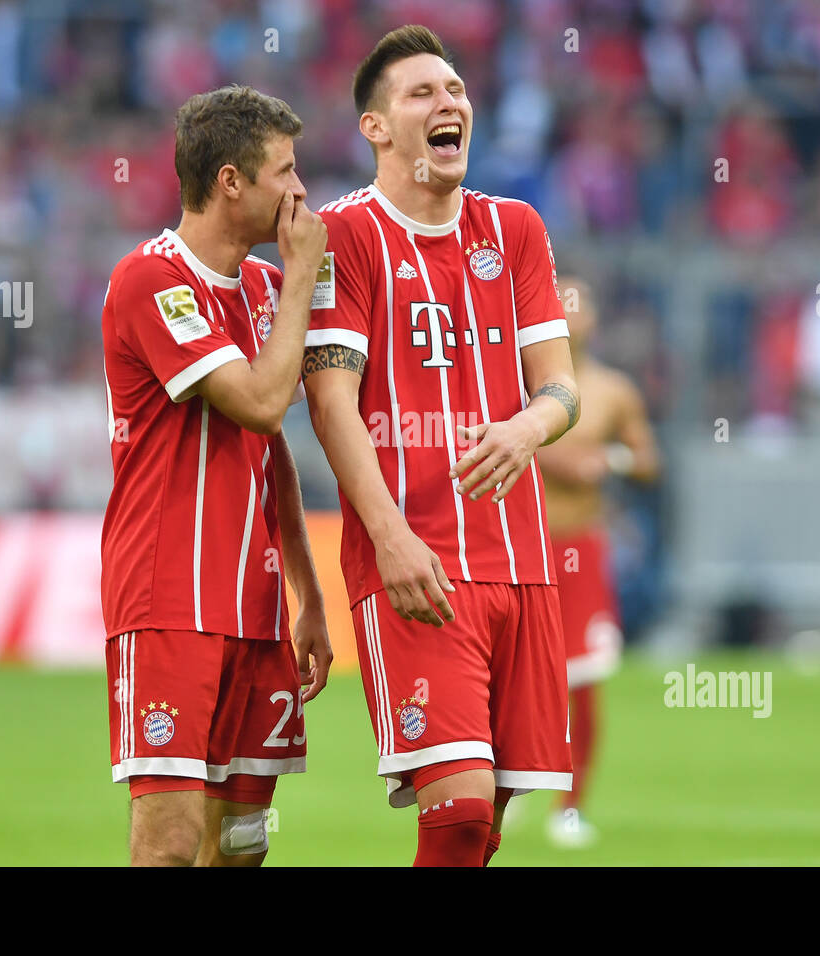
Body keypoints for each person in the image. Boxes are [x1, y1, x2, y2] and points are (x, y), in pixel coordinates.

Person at [301, 25, 580, 867]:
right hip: (416, 562)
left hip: (521, 562)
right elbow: (328, 400)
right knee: (454, 814)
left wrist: (524, 428)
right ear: (376, 128)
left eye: (455, 90)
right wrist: (388, 537)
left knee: (484, 829)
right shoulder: (341, 236)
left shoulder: (516, 228)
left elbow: (562, 390)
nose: (448, 103)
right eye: (422, 93)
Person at [100, 85, 332, 867]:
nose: (300, 192)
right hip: (168, 601)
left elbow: (274, 457)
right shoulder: (152, 281)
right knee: (167, 848)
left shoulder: (266, 292)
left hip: (257, 609)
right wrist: (303, 275)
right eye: (285, 172)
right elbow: (265, 406)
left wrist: (308, 595)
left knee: (240, 845)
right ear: (230, 181)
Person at [536, 274, 660, 847]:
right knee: (504, 678)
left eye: (578, 307)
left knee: (582, 681)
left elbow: (647, 460)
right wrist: (557, 462)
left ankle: (571, 806)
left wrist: (604, 462)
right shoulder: (515, 381)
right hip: (522, 544)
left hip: (581, 547)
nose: (569, 316)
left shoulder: (613, 390)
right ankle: (499, 787)